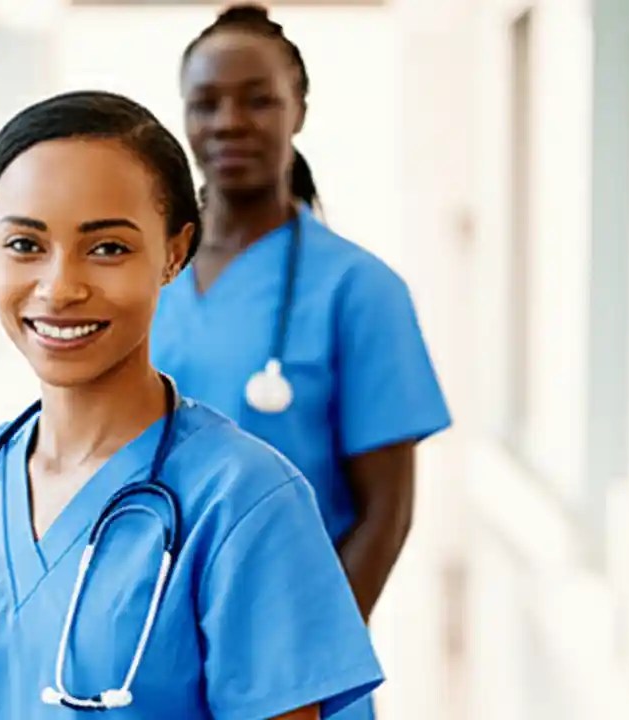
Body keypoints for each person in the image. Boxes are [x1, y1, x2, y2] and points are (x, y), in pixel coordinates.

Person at [0, 90, 383, 719]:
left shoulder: (244, 501)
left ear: (174, 252)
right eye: (25, 245)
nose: (60, 287)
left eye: (107, 248)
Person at [153, 4, 452, 620]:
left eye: (258, 101)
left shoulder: (359, 289)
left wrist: (311, 669)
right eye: (206, 103)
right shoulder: (145, 273)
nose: (229, 123)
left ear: (300, 110)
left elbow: (385, 517)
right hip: (150, 643)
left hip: (292, 641)